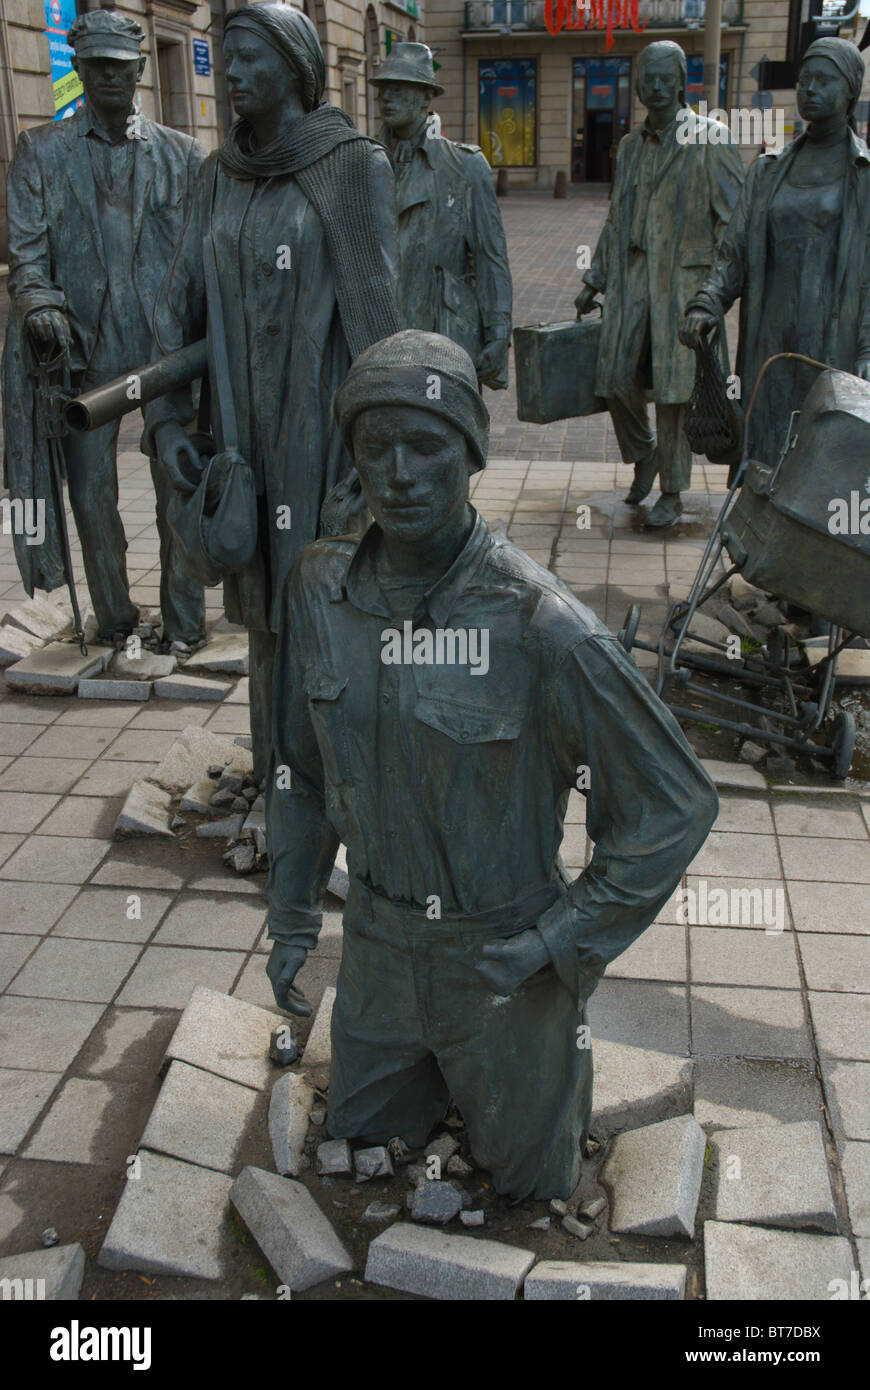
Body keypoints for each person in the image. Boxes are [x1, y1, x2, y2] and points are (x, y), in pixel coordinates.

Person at [264, 330, 718, 1201]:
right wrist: (292, 914)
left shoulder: (540, 625)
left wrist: (559, 942)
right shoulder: (320, 591)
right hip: (378, 948)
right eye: (374, 448)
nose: (398, 474)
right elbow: (299, 769)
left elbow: (676, 804)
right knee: (359, 1139)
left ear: (471, 455)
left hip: (503, 964)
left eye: (427, 447)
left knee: (531, 1188)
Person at [143, 4, 398, 782]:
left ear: (294, 68)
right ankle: (277, 779)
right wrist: (167, 423)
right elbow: (177, 302)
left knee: (322, 605)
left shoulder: (352, 164)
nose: (230, 74)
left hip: (321, 432)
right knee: (260, 614)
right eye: (226, 57)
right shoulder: (218, 175)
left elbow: (379, 319)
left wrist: (379, 444)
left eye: (249, 58)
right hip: (243, 438)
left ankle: (333, 783)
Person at [2, 9, 205, 649]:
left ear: (140, 70)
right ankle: (116, 623)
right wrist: (39, 306)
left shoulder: (187, 157)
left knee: (178, 488)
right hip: (86, 358)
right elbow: (27, 258)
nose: (109, 79)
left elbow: (204, 261)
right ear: (80, 70)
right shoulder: (41, 153)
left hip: (164, 356)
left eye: (121, 67)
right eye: (96, 67)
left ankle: (184, 622)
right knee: (91, 501)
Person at [575, 41, 744, 528]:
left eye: (662, 75)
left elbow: (733, 227)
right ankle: (643, 454)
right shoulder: (629, 146)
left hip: (681, 286)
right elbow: (616, 217)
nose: (653, 84)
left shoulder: (711, 138)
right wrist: (596, 278)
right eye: (645, 75)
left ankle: (672, 491)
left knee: (674, 392)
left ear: (681, 80)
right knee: (612, 378)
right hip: (631, 284)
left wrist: (712, 294)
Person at [681, 37, 870, 469]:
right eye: (805, 80)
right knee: (762, 451)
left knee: (823, 462)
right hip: (770, 340)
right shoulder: (768, 170)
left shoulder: (864, 176)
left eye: (824, 81)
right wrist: (708, 301)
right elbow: (734, 253)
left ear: (850, 93)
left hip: (834, 344)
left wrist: (868, 349)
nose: (810, 90)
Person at [371, 42, 511, 390]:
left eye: (398, 89)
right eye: (383, 89)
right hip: (379, 337)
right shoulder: (363, 163)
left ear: (424, 97)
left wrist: (497, 333)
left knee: (447, 435)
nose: (386, 97)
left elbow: (491, 258)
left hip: (445, 334)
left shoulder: (464, 166)